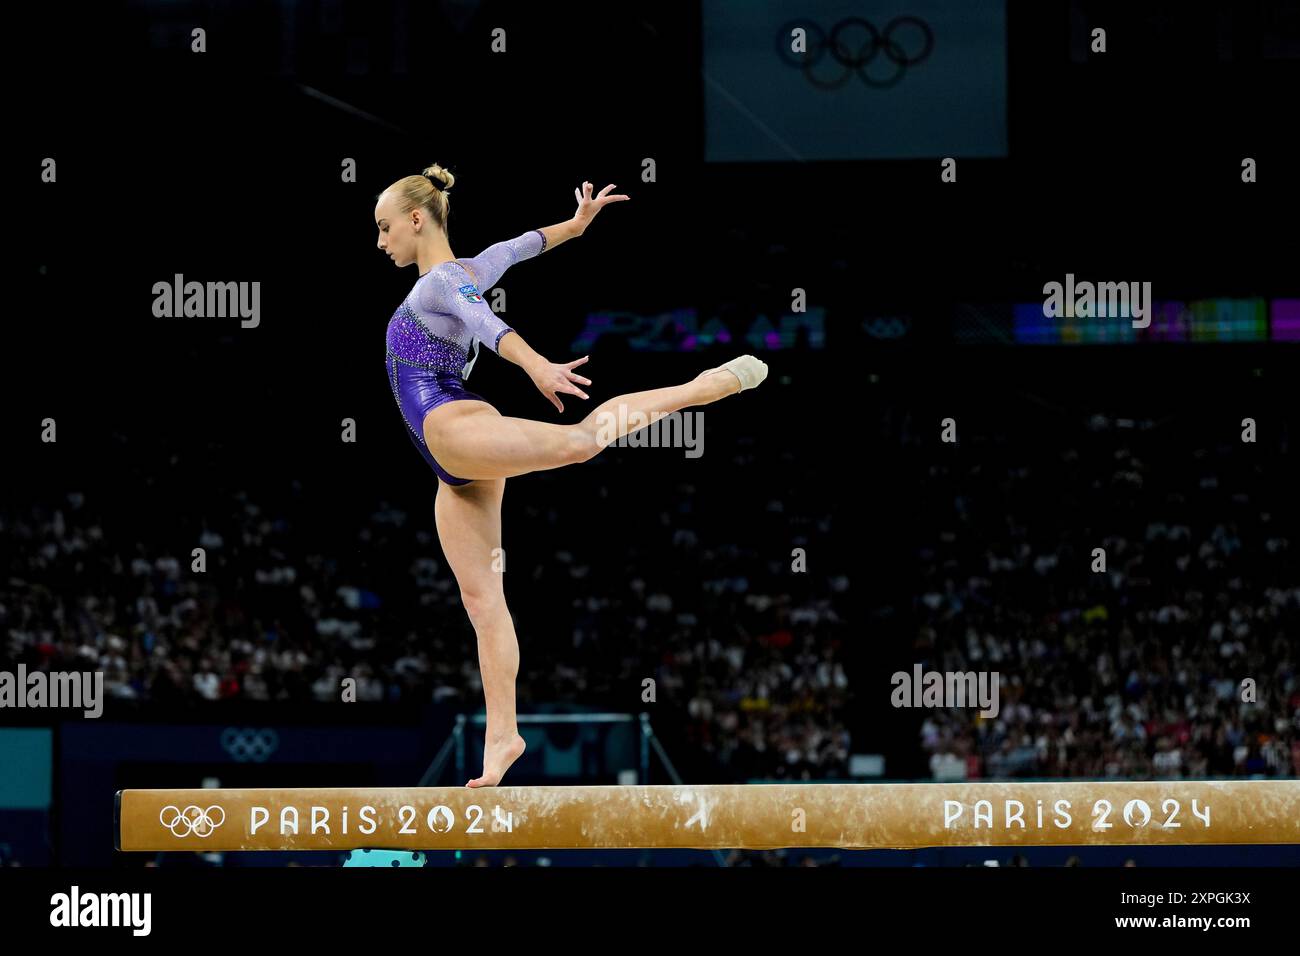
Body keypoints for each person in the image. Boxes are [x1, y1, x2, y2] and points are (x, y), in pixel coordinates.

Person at [375, 163, 768, 786]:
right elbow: (524, 245)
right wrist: (576, 226)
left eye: (385, 226)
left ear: (416, 219)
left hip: (451, 428)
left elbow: (487, 325)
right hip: (452, 464)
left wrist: (535, 366)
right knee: (482, 602)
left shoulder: (443, 282)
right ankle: (503, 736)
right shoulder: (469, 269)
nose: (380, 240)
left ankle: (700, 387)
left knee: (583, 444)